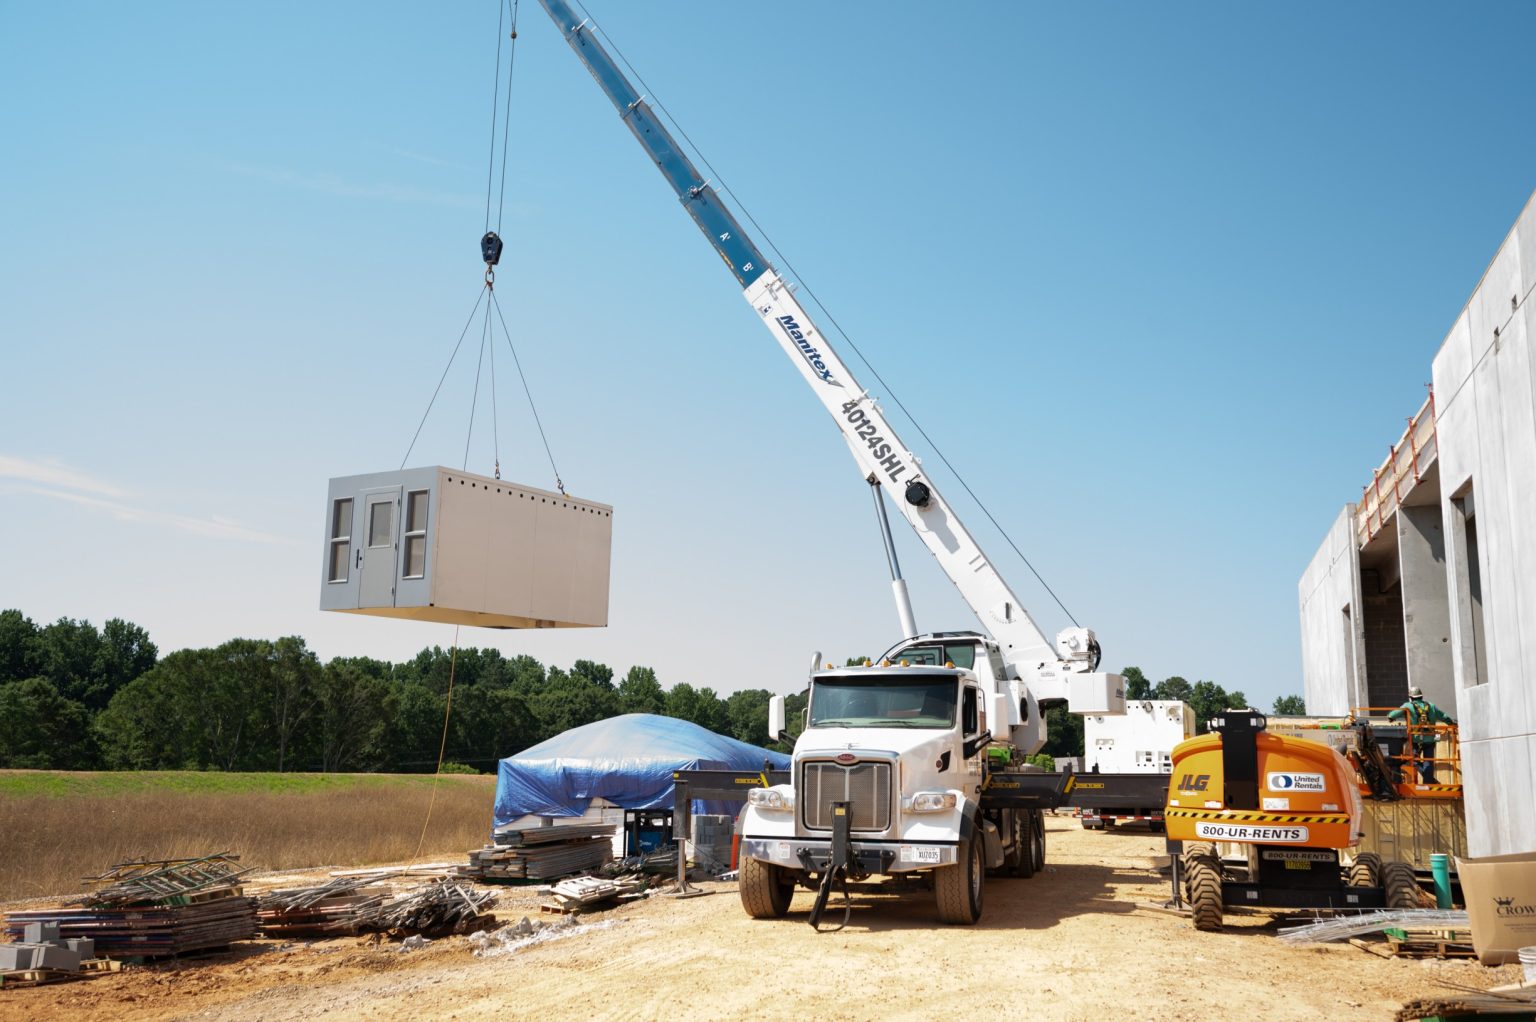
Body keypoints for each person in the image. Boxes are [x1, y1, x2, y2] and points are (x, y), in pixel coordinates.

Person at [1388, 687, 1456, 783]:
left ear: (1411, 697)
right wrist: (1452, 724)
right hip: (1430, 739)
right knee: (1428, 761)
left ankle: (1429, 779)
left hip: (1415, 739)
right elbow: (1444, 717)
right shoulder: (1431, 706)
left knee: (1413, 760)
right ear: (1421, 696)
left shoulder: (1407, 706)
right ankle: (1428, 780)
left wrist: (1390, 718)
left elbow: (1392, 715)